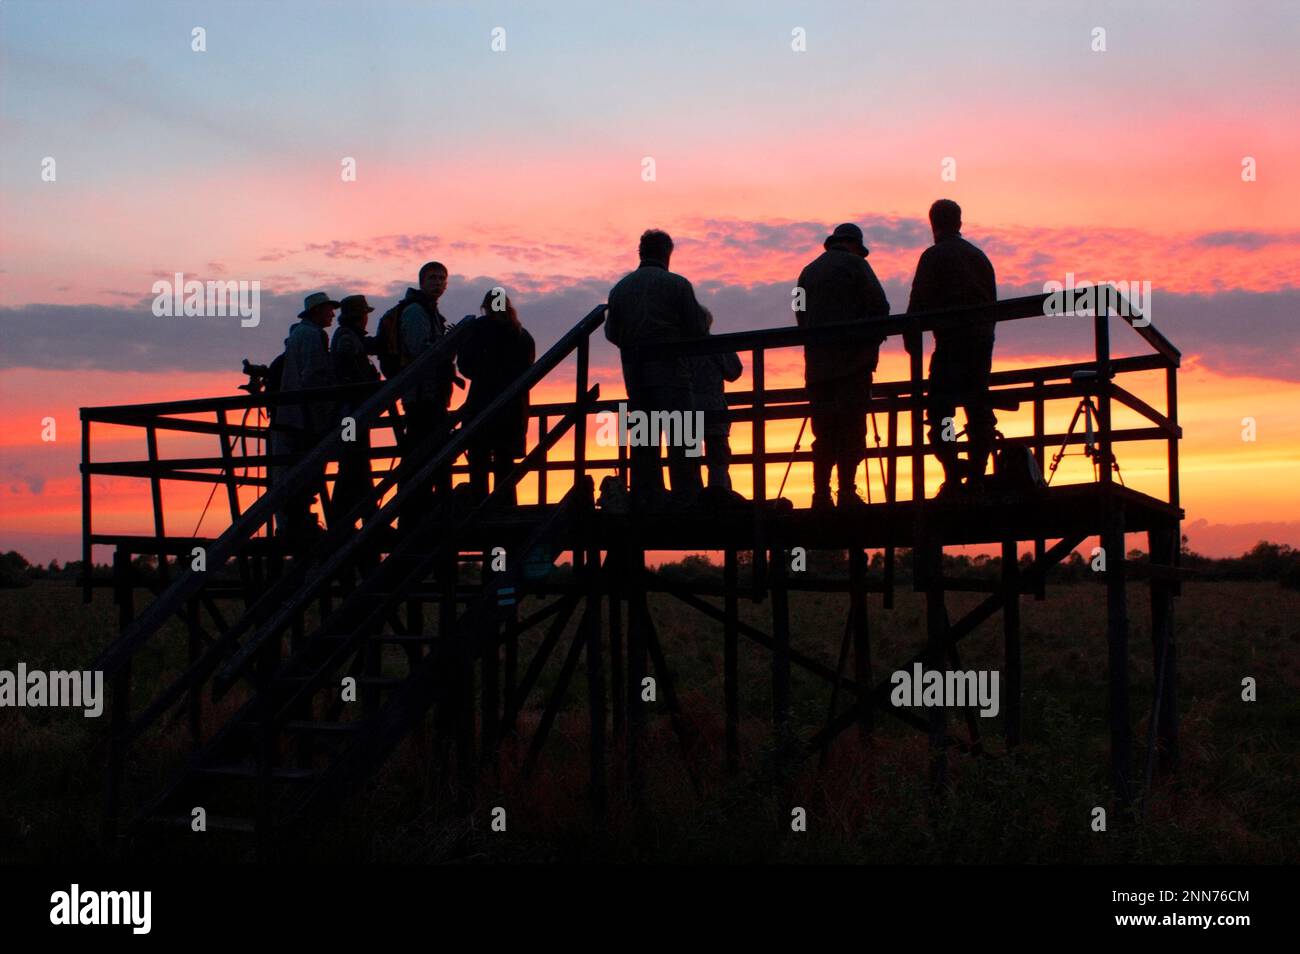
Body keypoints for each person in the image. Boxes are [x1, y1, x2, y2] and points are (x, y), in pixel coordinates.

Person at [605, 229, 708, 508]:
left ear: (641, 252)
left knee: (644, 440)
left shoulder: (620, 289)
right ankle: (687, 497)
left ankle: (647, 496)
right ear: (667, 253)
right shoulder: (677, 285)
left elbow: (611, 333)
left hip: (636, 375)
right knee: (682, 436)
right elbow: (697, 328)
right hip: (673, 372)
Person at [905, 199, 998, 497]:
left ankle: (953, 477)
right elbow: (993, 306)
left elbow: (917, 305)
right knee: (978, 408)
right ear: (960, 222)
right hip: (981, 346)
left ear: (933, 224)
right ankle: (977, 477)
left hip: (949, 346)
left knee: (941, 412)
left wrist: (912, 345)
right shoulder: (979, 257)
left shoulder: (934, 256)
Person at [796, 223, 890, 511]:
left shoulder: (807, 272)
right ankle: (847, 492)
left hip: (818, 370)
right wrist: (871, 339)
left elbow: (800, 315)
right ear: (854, 245)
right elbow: (880, 307)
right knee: (851, 430)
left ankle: (820, 495)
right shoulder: (856, 266)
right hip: (853, 366)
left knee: (823, 433)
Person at [456, 287, 536, 505]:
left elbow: (465, 365)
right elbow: (529, 370)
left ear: (485, 307)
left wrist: (485, 372)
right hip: (512, 408)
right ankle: (506, 507)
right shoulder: (522, 334)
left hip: (482, 403)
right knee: (505, 461)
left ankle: (478, 509)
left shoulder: (478, 329)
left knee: (478, 460)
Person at [275, 291, 339, 540]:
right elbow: (313, 375)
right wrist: (327, 408)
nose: (332, 314)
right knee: (308, 469)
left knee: (293, 469)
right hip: (306, 415)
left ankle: (293, 522)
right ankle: (300, 522)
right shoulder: (314, 336)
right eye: (328, 310)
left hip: (290, 414)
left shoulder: (297, 335)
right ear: (317, 312)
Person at [396, 262, 456, 525]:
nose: (438, 282)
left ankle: (424, 511)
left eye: (442, 278)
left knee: (429, 454)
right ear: (421, 281)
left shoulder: (430, 312)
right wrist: (449, 345)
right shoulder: (415, 312)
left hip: (431, 396)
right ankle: (415, 514)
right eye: (432, 277)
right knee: (421, 455)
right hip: (421, 397)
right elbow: (420, 352)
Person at [330, 294, 381, 525]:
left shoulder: (349, 336)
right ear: (361, 316)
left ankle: (354, 518)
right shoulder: (348, 339)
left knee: (355, 462)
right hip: (350, 413)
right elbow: (349, 368)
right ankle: (350, 518)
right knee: (354, 461)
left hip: (351, 411)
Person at [690, 308, 743, 497]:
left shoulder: (680, 346)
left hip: (686, 408)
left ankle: (692, 499)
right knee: (718, 457)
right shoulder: (717, 345)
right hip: (713, 406)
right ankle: (720, 496)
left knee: (689, 458)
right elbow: (734, 372)